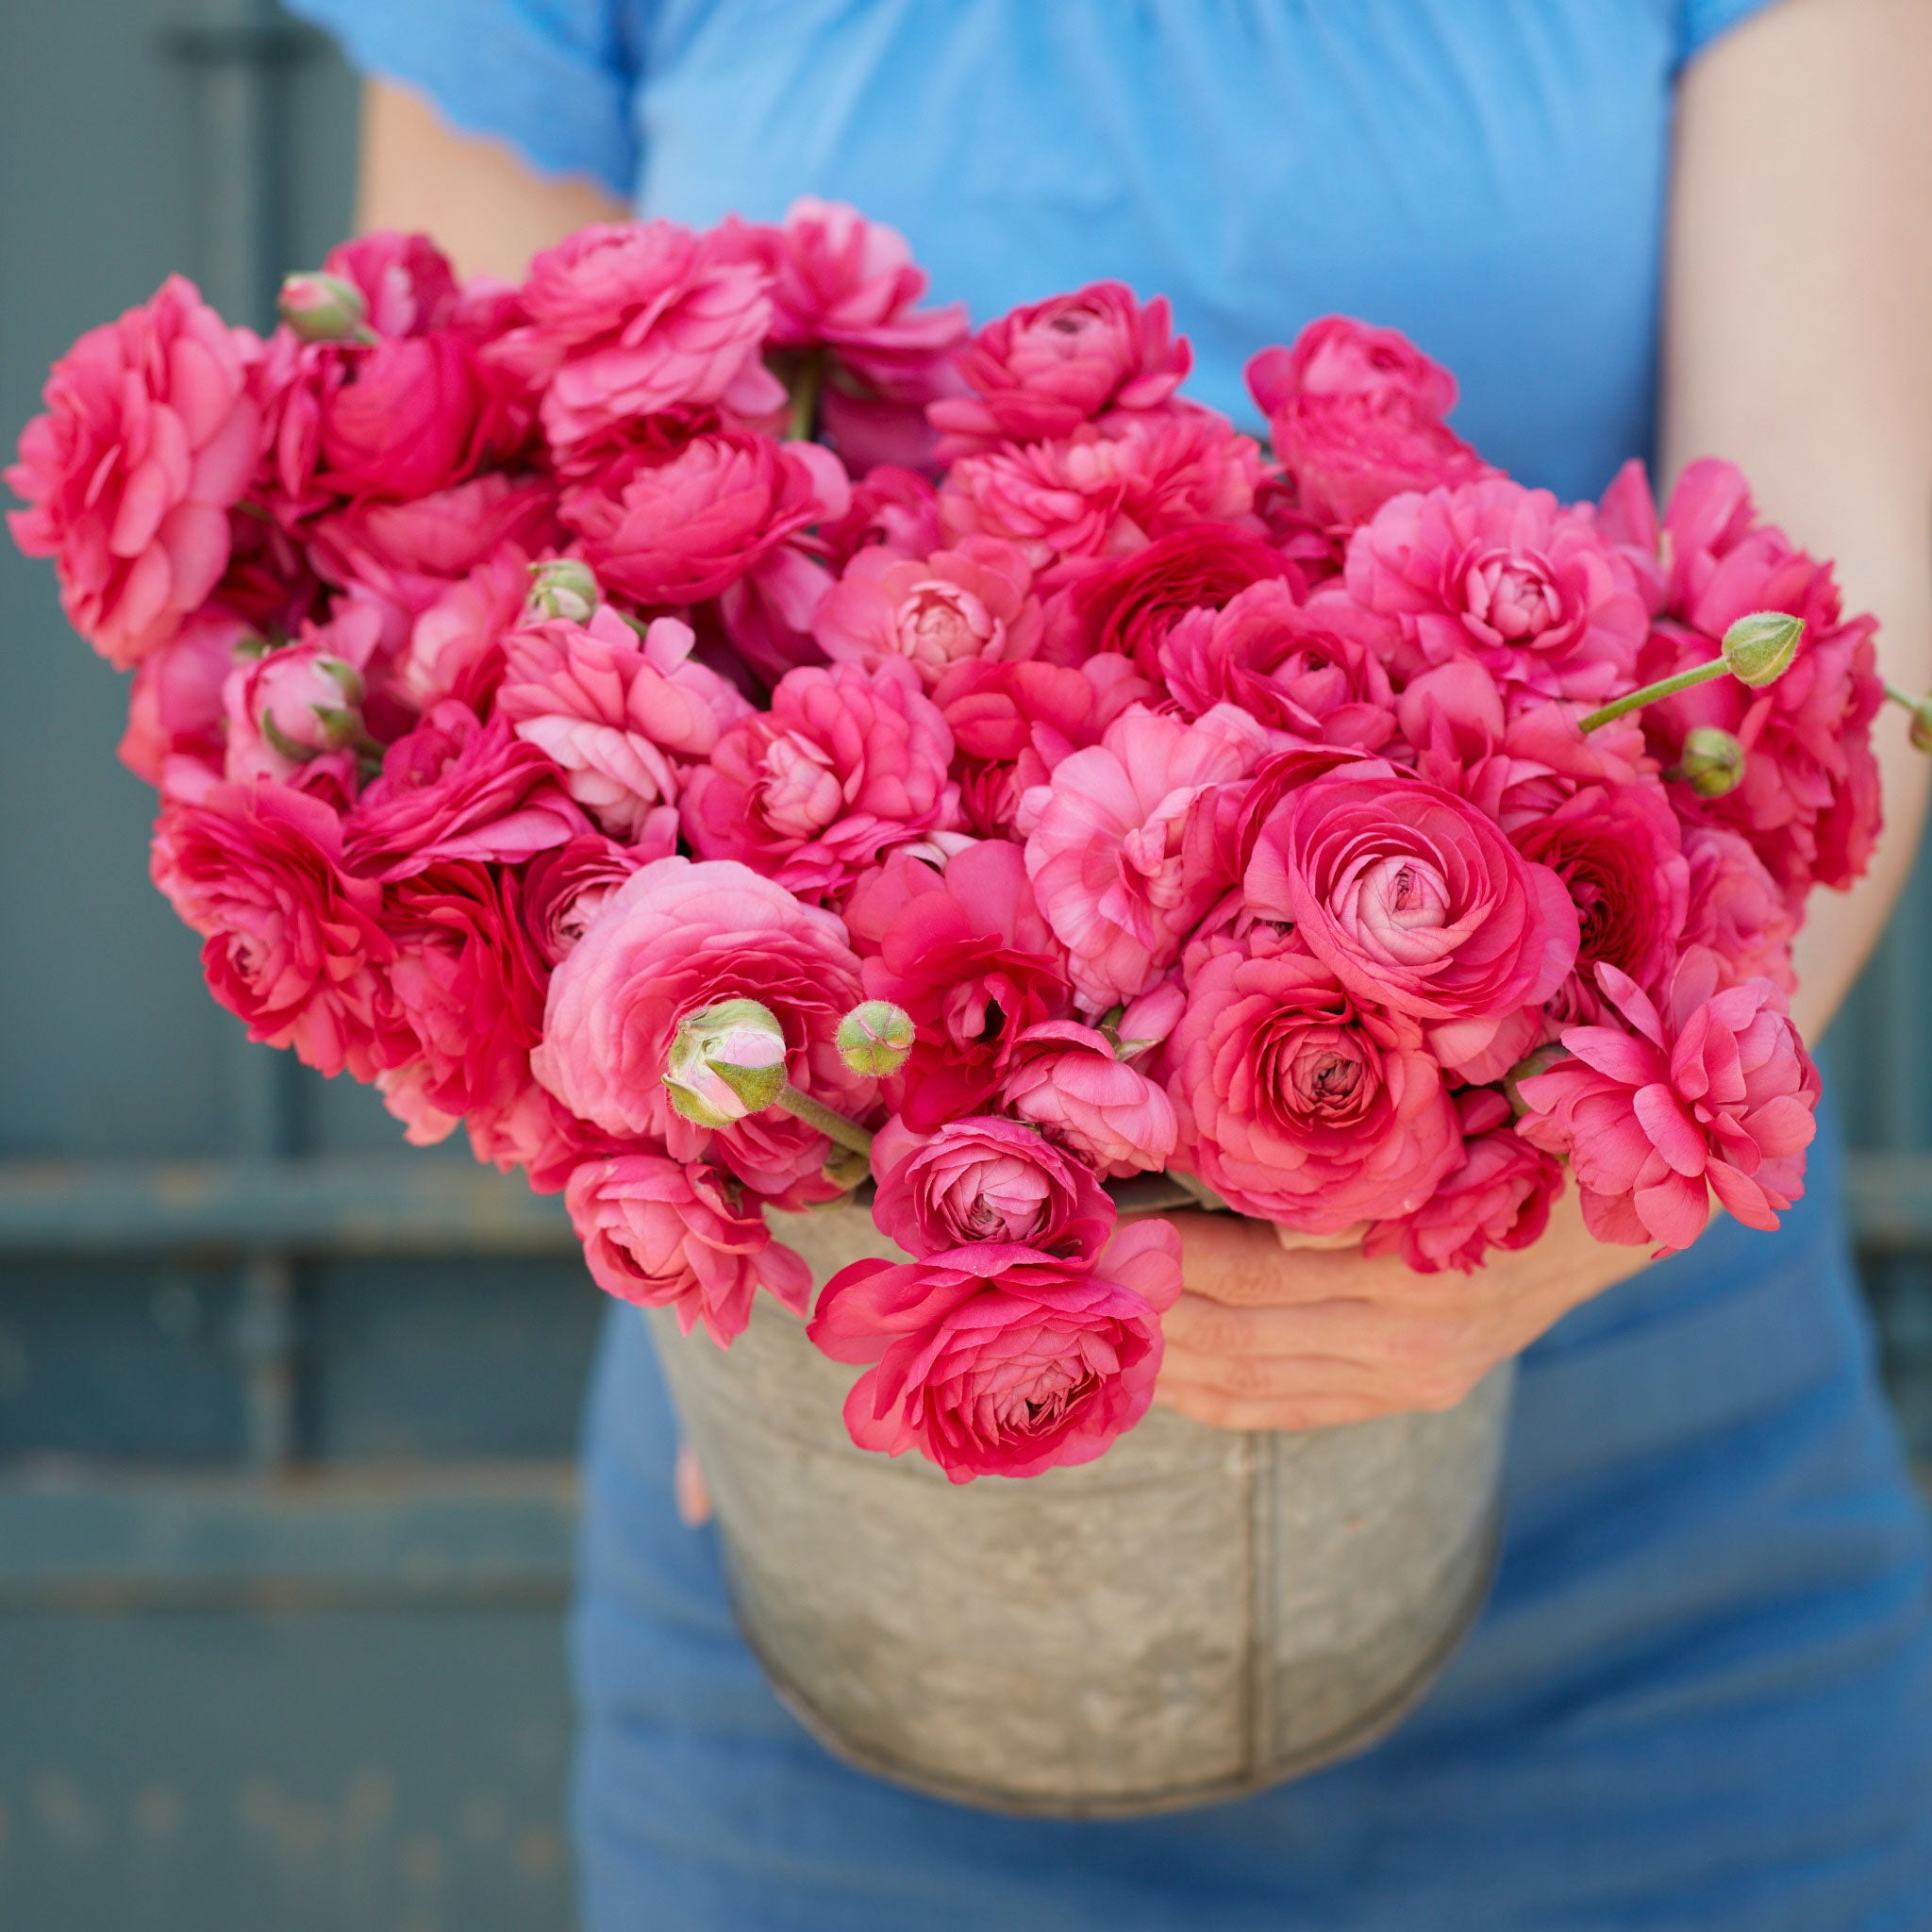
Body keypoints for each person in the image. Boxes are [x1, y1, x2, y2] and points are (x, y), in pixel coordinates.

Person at [287, 2, 1932, 1924]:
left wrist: (1606, 1190)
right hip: (864, 1565)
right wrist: (715, 1191)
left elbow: (1837, 592)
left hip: (1640, 1502)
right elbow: (453, 597)